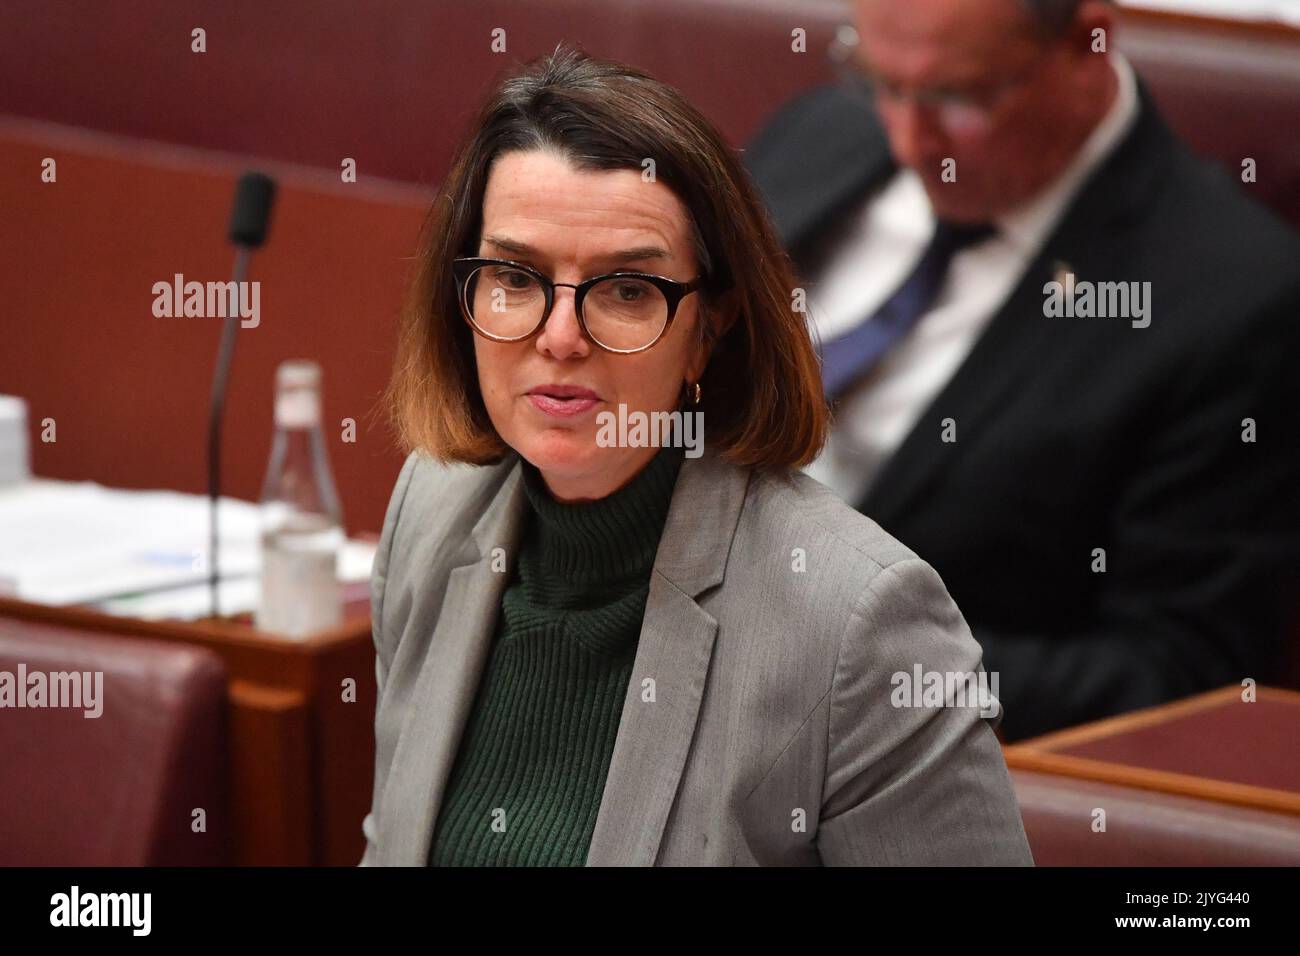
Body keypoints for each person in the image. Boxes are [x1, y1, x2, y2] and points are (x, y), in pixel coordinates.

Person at [359, 45, 1032, 866]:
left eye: (627, 290)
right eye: (515, 277)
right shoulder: (431, 509)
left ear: (710, 329)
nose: (560, 336)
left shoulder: (859, 622)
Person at [744, 0, 1300, 740]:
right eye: (879, 78)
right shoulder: (822, 129)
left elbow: (1174, 679)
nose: (911, 141)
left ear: (1085, 41)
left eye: (960, 98)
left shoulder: (1234, 301)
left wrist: (837, 657)